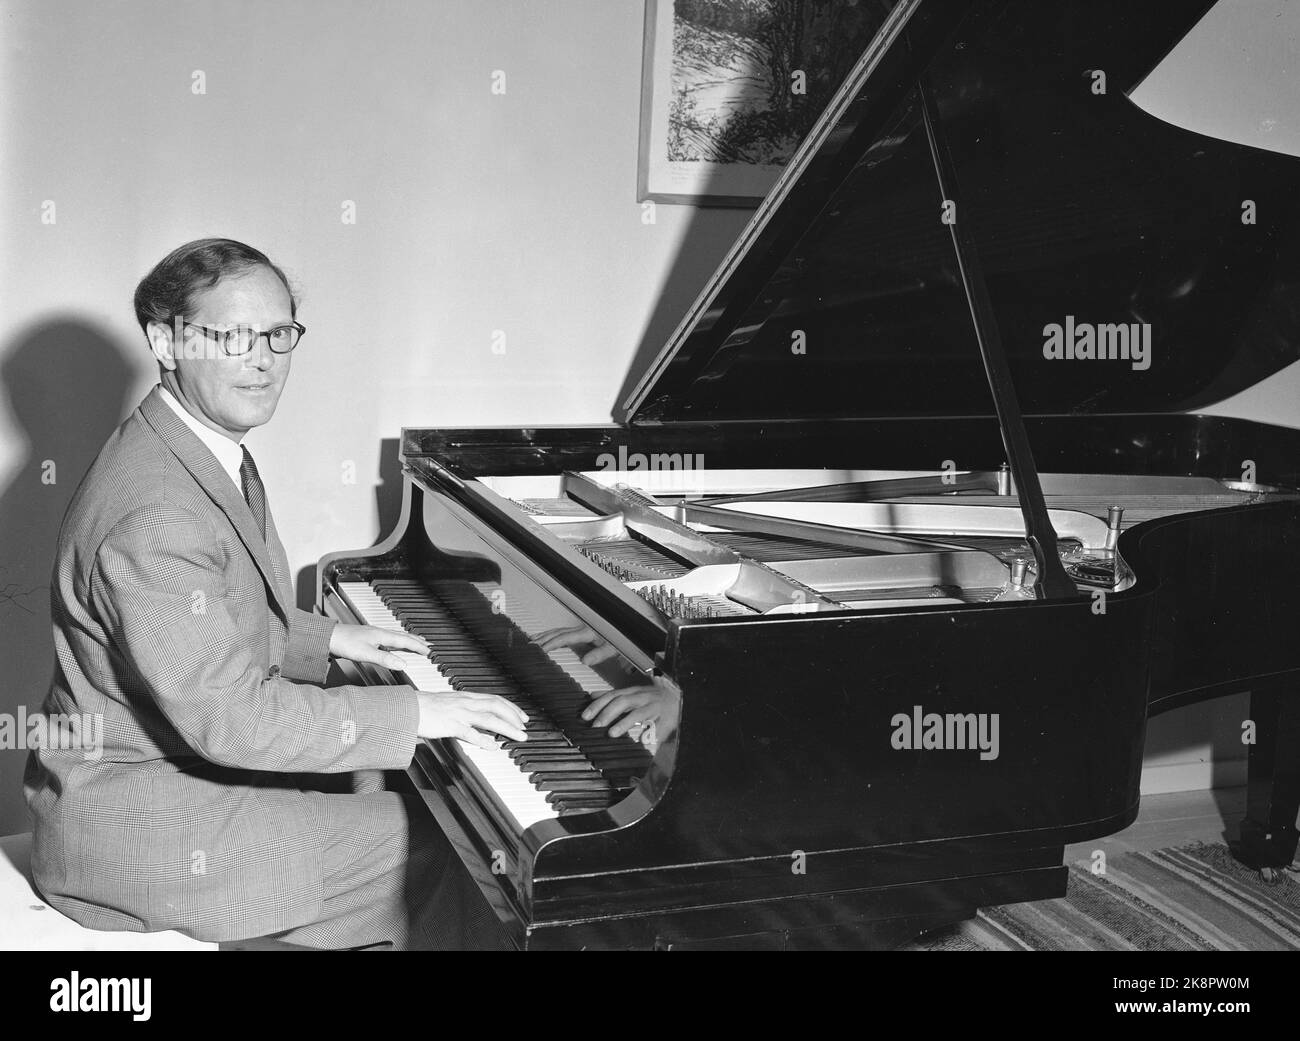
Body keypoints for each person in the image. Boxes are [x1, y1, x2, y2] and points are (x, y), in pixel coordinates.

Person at [23, 238, 527, 949]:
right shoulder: (156, 511)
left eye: (277, 334)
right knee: (460, 848)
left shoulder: (189, 444)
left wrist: (327, 639)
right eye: (230, 335)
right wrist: (418, 709)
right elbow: (228, 718)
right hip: (131, 825)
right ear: (164, 340)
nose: (261, 359)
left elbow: (202, 617)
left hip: (152, 768)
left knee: (388, 778)